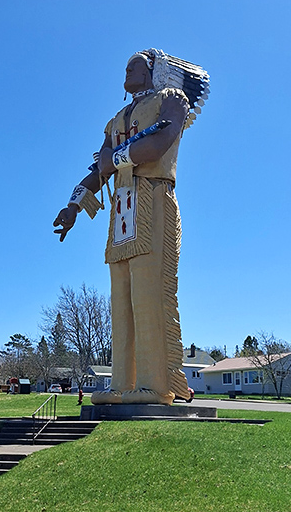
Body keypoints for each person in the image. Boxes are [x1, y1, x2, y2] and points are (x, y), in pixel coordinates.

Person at [54, 49, 209, 406]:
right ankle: (122, 384)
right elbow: (100, 170)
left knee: (149, 294)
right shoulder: (116, 121)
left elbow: (156, 145)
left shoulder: (172, 100)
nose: (128, 69)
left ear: (154, 70)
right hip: (122, 210)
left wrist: (117, 157)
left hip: (154, 199)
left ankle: (156, 384)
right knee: (120, 301)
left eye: (135, 64)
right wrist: (73, 205)